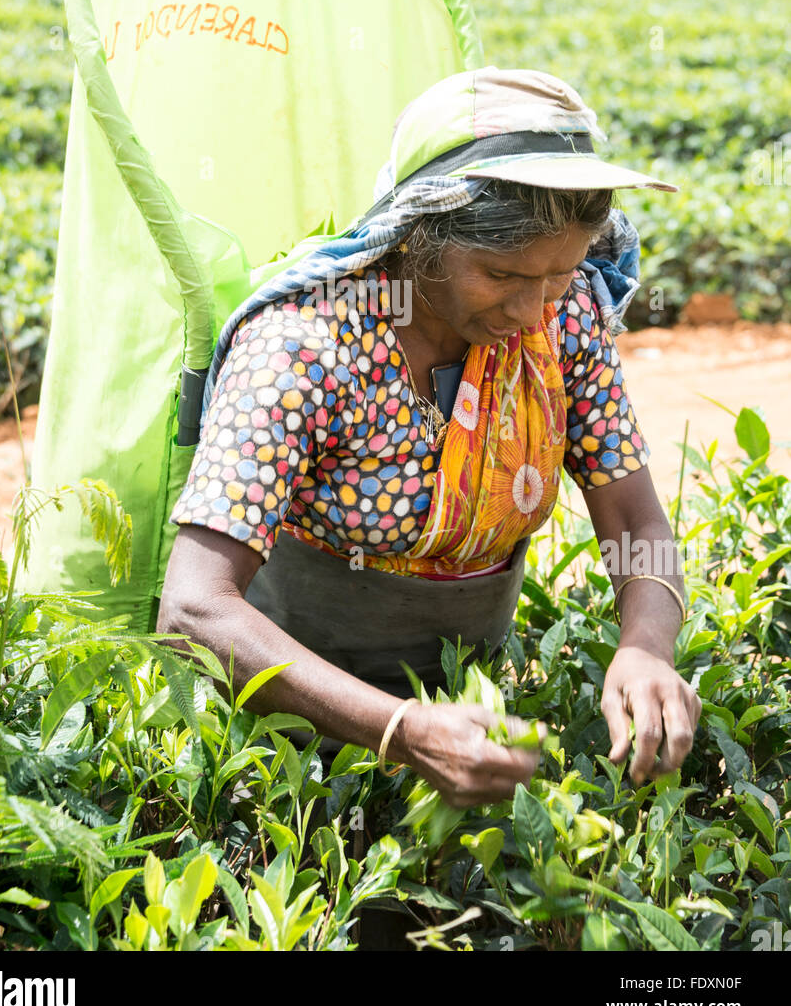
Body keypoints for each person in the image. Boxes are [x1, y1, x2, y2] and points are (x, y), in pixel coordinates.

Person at [158, 67, 701, 807]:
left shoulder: (565, 321)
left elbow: (635, 520)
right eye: (500, 274)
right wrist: (400, 732)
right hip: (277, 745)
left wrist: (645, 649)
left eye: (559, 274)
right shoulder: (304, 348)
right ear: (416, 237)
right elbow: (194, 611)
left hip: (471, 722)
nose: (532, 308)